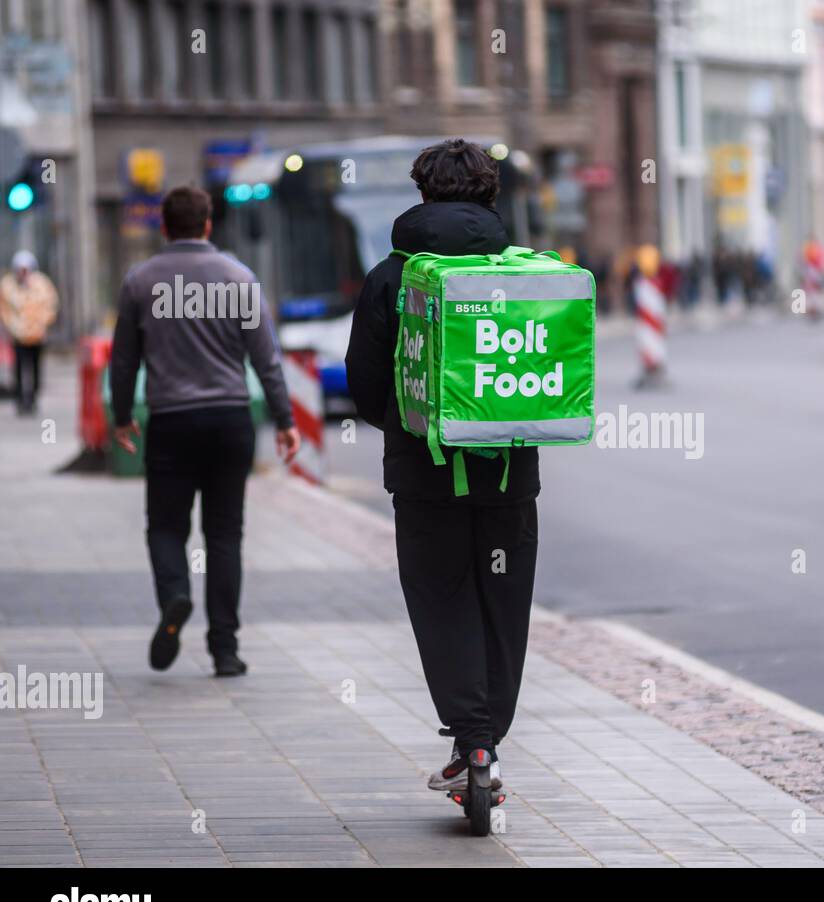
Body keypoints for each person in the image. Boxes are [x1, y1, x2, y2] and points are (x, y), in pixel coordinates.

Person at [345, 139, 541, 795]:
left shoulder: (390, 276)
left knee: (442, 601)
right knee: (503, 606)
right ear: (491, 195)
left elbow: (366, 386)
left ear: (421, 194)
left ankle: (473, 740)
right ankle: (484, 738)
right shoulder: (523, 273)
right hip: (509, 479)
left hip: (424, 481)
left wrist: (416, 429)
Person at [110, 185, 300, 677]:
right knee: (225, 534)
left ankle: (175, 595)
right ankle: (225, 649)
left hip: (170, 421)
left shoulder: (140, 281)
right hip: (229, 420)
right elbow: (267, 359)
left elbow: (124, 358)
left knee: (167, 526)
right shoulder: (239, 278)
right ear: (208, 224)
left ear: (164, 226)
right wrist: (284, 420)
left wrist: (123, 416)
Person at [0, 250, 59, 414]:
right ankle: (20, 399)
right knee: (19, 367)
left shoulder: (42, 284)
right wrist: (10, 327)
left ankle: (32, 398)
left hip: (37, 334)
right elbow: (4, 309)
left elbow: (51, 305)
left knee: (35, 367)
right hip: (18, 335)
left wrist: (44, 324)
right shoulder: (8, 285)